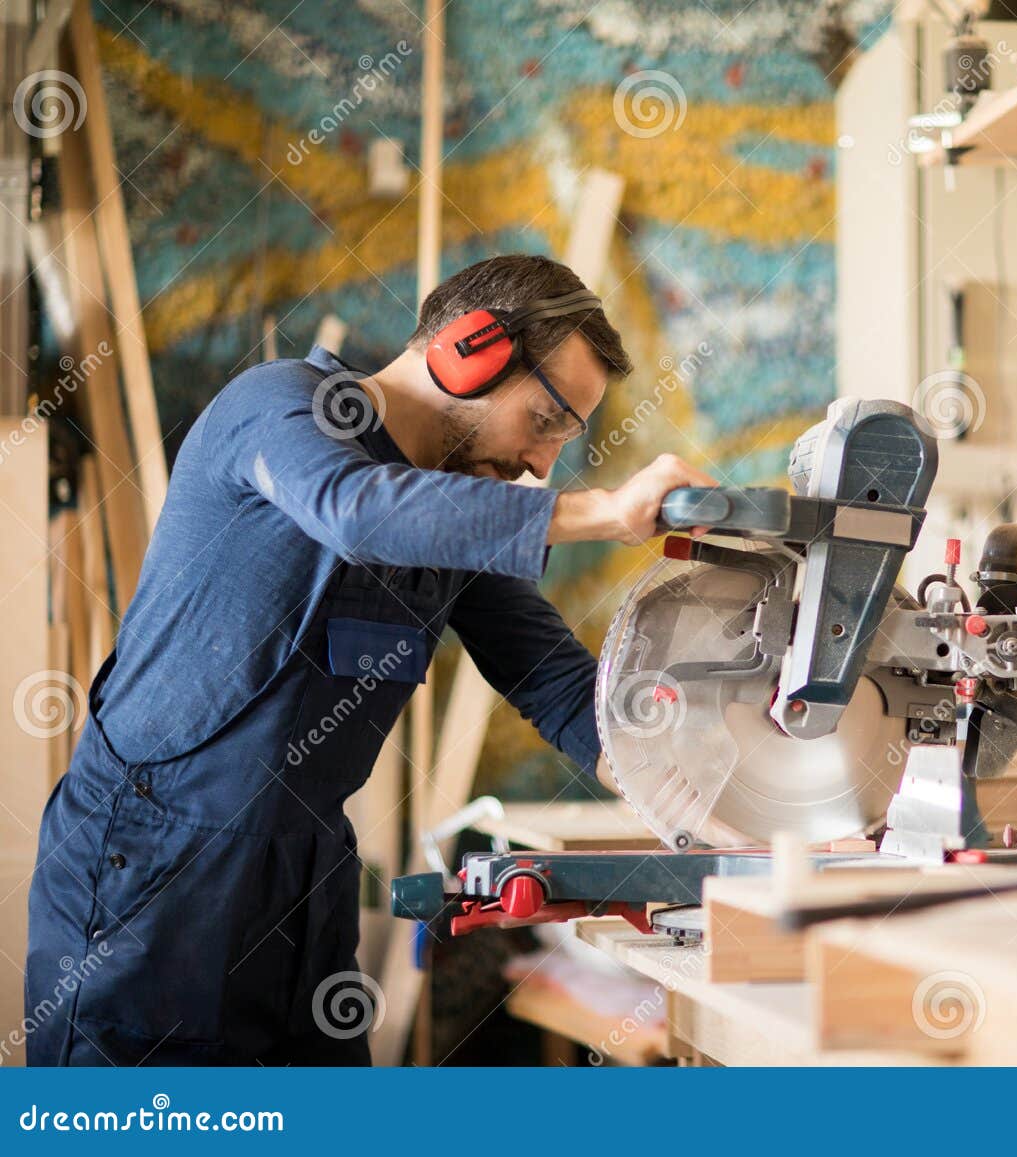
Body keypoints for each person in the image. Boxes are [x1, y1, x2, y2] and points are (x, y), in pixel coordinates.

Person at [26, 254, 714, 1065]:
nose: (541, 466)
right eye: (546, 421)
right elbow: (358, 511)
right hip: (150, 868)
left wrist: (716, 805)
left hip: (303, 879)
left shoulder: (457, 519)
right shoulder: (280, 407)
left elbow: (560, 688)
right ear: (471, 348)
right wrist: (604, 511)